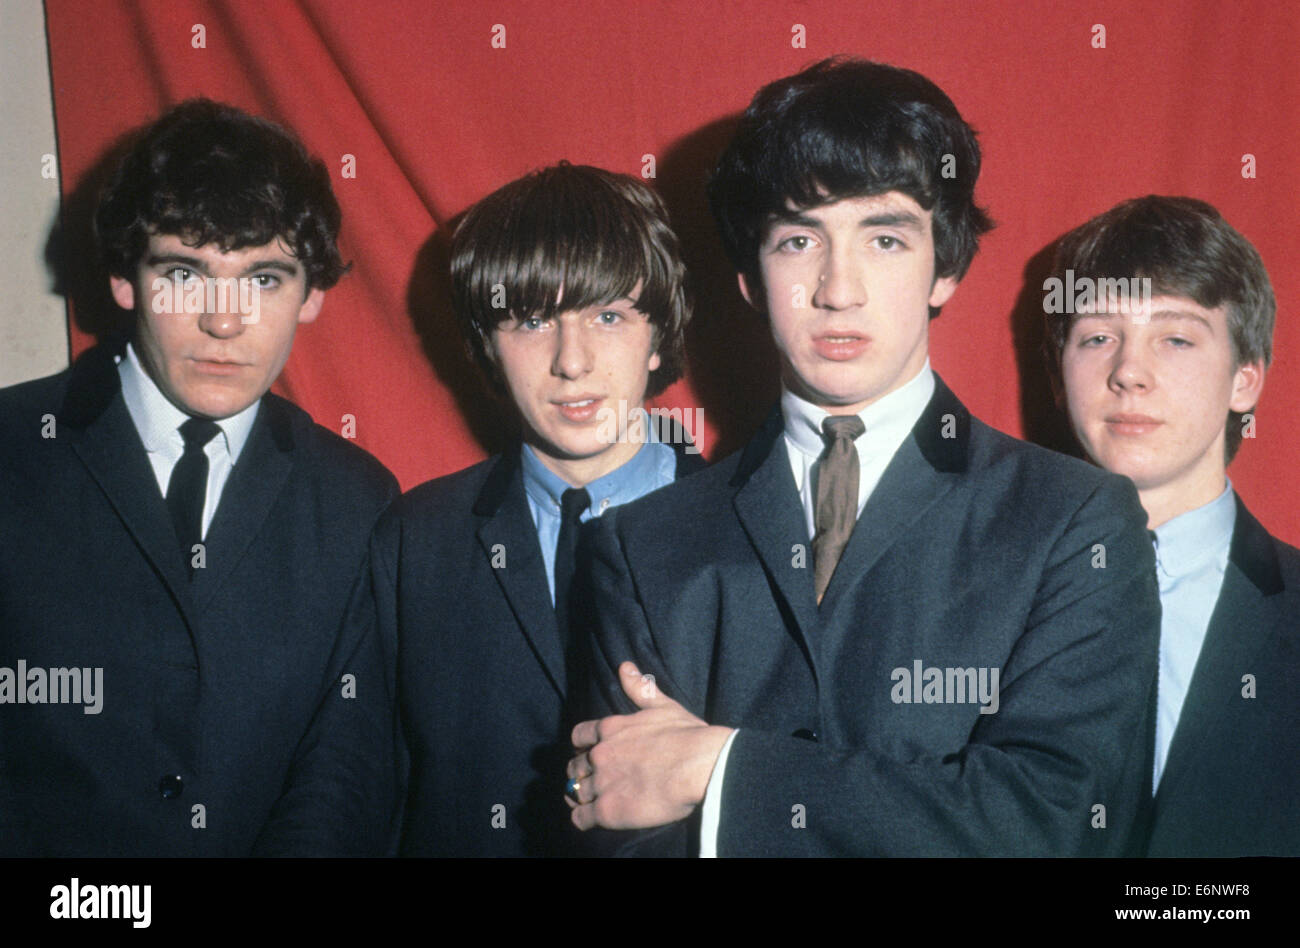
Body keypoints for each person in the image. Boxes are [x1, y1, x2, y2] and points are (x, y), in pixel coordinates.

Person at [564, 57, 1160, 856]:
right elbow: (613, 829)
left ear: (945, 267)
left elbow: (1049, 823)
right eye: (799, 239)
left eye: (883, 237)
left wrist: (722, 768)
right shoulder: (642, 546)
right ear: (748, 276)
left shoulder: (1075, 521)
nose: (837, 288)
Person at [0, 99, 398, 856]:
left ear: (313, 295)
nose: (223, 321)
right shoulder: (11, 453)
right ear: (125, 278)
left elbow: (343, 773)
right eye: (185, 273)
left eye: (264, 279)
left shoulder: (358, 501)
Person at [370, 163, 701, 856]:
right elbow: (371, 789)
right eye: (531, 321)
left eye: (608, 316)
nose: (571, 362)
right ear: (487, 344)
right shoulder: (415, 539)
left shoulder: (752, 528)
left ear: (660, 335)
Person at [1049, 195, 1299, 856]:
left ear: (1245, 380)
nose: (1129, 372)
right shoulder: (968, 591)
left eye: (1177, 338)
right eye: (1098, 337)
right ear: (1058, 377)